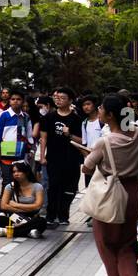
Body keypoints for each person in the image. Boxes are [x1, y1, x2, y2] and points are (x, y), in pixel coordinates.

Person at [82, 94, 138, 276]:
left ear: (110, 115)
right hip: (132, 192)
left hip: (111, 194)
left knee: (107, 245)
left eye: (101, 108)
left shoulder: (105, 141)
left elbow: (87, 167)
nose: (99, 110)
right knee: (127, 244)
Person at [37, 87, 84, 226]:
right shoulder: (48, 117)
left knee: (69, 187)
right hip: (53, 157)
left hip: (71, 158)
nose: (59, 100)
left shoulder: (76, 119)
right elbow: (43, 138)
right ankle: (51, 215)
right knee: (53, 186)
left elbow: (82, 141)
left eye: (63, 98)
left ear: (70, 100)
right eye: (57, 98)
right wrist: (42, 156)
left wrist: (69, 134)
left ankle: (64, 215)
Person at [0, 91, 35, 189]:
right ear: (9, 101)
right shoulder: (3, 116)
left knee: (20, 181)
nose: (16, 101)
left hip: (22, 154)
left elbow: (29, 136)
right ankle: (4, 204)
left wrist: (31, 150)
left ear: (23, 101)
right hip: (6, 154)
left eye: (18, 99)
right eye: (13, 99)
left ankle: (16, 203)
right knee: (7, 181)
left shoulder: (26, 117)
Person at [0, 161, 46, 239]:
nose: (16, 174)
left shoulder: (37, 186)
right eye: (14, 172)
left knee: (41, 222)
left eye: (19, 171)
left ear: (26, 172)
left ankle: (8, 231)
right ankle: (28, 232)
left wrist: (16, 205)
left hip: (31, 218)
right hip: (15, 217)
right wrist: (26, 209)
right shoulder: (10, 186)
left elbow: (38, 206)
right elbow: (3, 206)